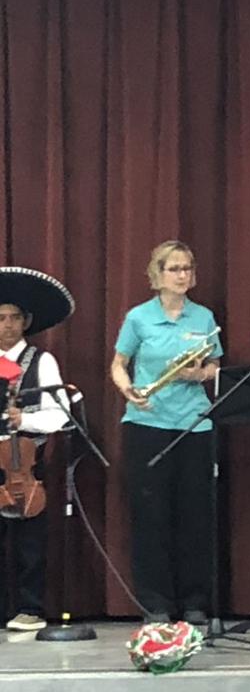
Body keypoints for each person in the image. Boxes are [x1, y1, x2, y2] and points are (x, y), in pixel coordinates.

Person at [110, 240, 223, 624]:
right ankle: (156, 603)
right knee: (151, 517)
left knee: (195, 518)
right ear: (156, 275)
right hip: (147, 425)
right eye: (174, 268)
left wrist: (199, 373)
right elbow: (119, 364)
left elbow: (215, 367)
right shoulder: (139, 318)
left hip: (193, 425)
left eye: (187, 268)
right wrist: (128, 390)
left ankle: (195, 602)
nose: (182, 275)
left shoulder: (204, 318)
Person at [0, 267, 75, 631]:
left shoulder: (41, 361)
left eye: (15, 317)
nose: (8, 325)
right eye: (1, 317)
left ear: (25, 321)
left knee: (30, 542)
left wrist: (23, 421)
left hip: (27, 463)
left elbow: (60, 415)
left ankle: (30, 607)